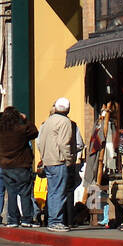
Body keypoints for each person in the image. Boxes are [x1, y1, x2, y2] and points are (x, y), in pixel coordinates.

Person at [36, 97, 85, 232]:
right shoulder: (65, 122)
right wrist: (69, 159)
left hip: (48, 161)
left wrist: (44, 156)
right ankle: (56, 221)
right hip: (59, 161)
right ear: (68, 109)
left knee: (52, 192)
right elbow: (64, 143)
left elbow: (39, 143)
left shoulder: (47, 122)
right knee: (59, 193)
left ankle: (52, 220)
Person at [0, 106, 38, 227]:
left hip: (6, 166)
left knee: (11, 193)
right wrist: (25, 119)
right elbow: (34, 132)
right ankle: (26, 219)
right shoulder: (21, 129)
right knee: (25, 193)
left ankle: (12, 219)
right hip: (21, 165)